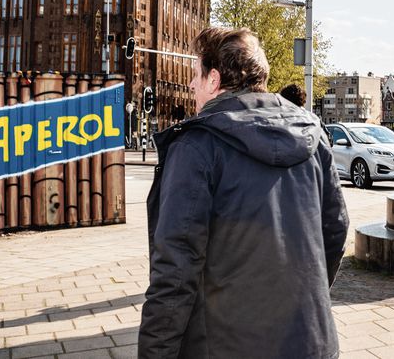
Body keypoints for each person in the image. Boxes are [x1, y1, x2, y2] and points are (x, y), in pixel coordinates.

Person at [139, 27, 349, 358]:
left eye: (196, 74)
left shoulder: (197, 146)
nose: (191, 84)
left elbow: (175, 269)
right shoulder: (313, 134)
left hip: (226, 345)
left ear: (213, 79)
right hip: (310, 340)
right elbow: (334, 229)